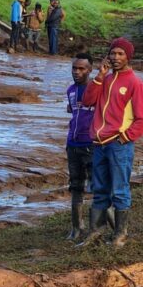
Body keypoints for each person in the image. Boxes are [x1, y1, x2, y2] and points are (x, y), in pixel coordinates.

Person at [79, 38, 141, 248]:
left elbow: (141, 118)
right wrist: (99, 75)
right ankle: (95, 233)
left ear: (128, 57)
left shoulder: (134, 82)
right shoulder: (105, 79)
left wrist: (124, 137)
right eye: (112, 54)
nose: (115, 58)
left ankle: (120, 236)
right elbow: (88, 101)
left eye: (120, 54)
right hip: (99, 143)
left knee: (120, 190)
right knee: (100, 189)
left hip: (119, 144)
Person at [65, 53, 96, 240]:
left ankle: (101, 229)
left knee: (98, 188)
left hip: (91, 146)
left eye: (82, 68)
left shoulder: (97, 90)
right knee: (76, 187)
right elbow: (72, 112)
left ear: (90, 70)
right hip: (72, 145)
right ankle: (77, 228)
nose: (77, 72)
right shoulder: (70, 90)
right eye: (74, 68)